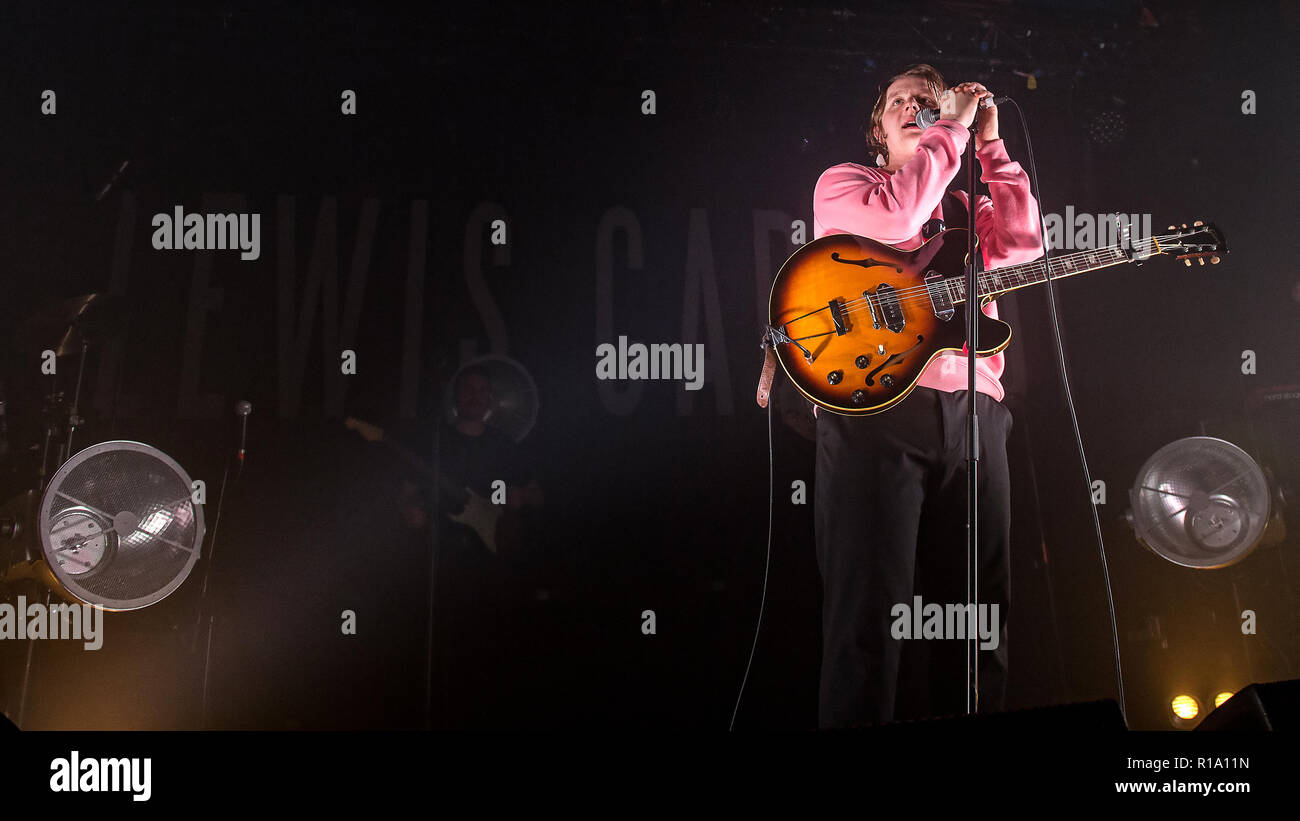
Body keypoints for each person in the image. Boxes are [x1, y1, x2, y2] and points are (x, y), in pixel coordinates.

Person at [811, 64, 1044, 727]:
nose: (916, 106)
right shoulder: (845, 185)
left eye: (926, 98)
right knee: (867, 617)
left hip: (975, 415)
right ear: (879, 135)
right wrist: (952, 125)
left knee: (975, 620)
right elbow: (902, 213)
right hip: (878, 412)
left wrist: (993, 148)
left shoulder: (966, 210)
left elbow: (1025, 249)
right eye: (899, 103)